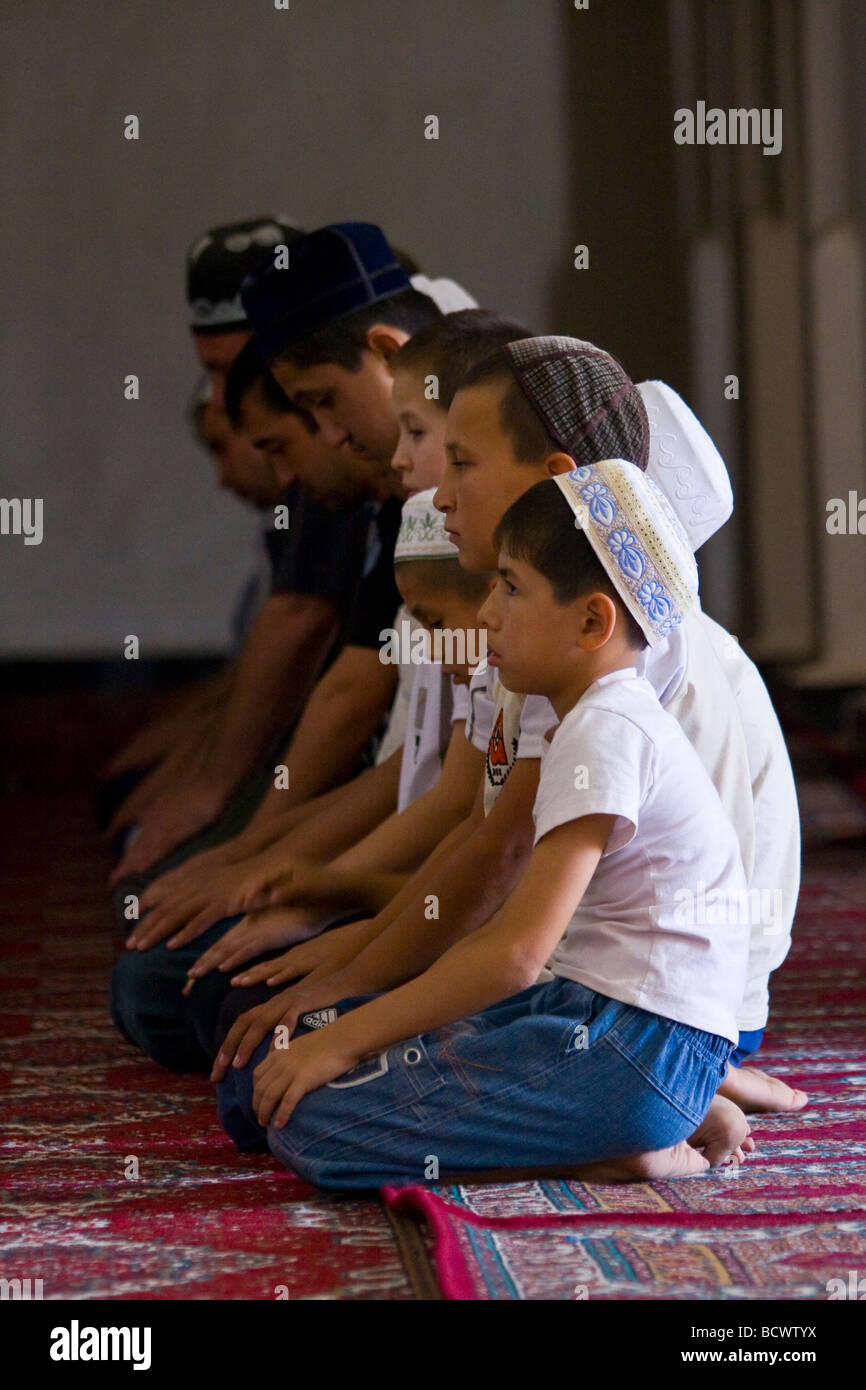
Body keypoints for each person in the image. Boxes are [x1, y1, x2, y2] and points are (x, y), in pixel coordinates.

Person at [216, 463, 753, 1188]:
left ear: (593, 620)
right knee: (267, 1084)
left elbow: (514, 955)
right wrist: (339, 1034)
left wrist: (341, 1042)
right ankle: (659, 1115)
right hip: (600, 1019)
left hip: (634, 1046)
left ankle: (629, 1143)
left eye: (510, 586)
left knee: (311, 1128)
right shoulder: (590, 720)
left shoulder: (606, 732)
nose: (489, 613)